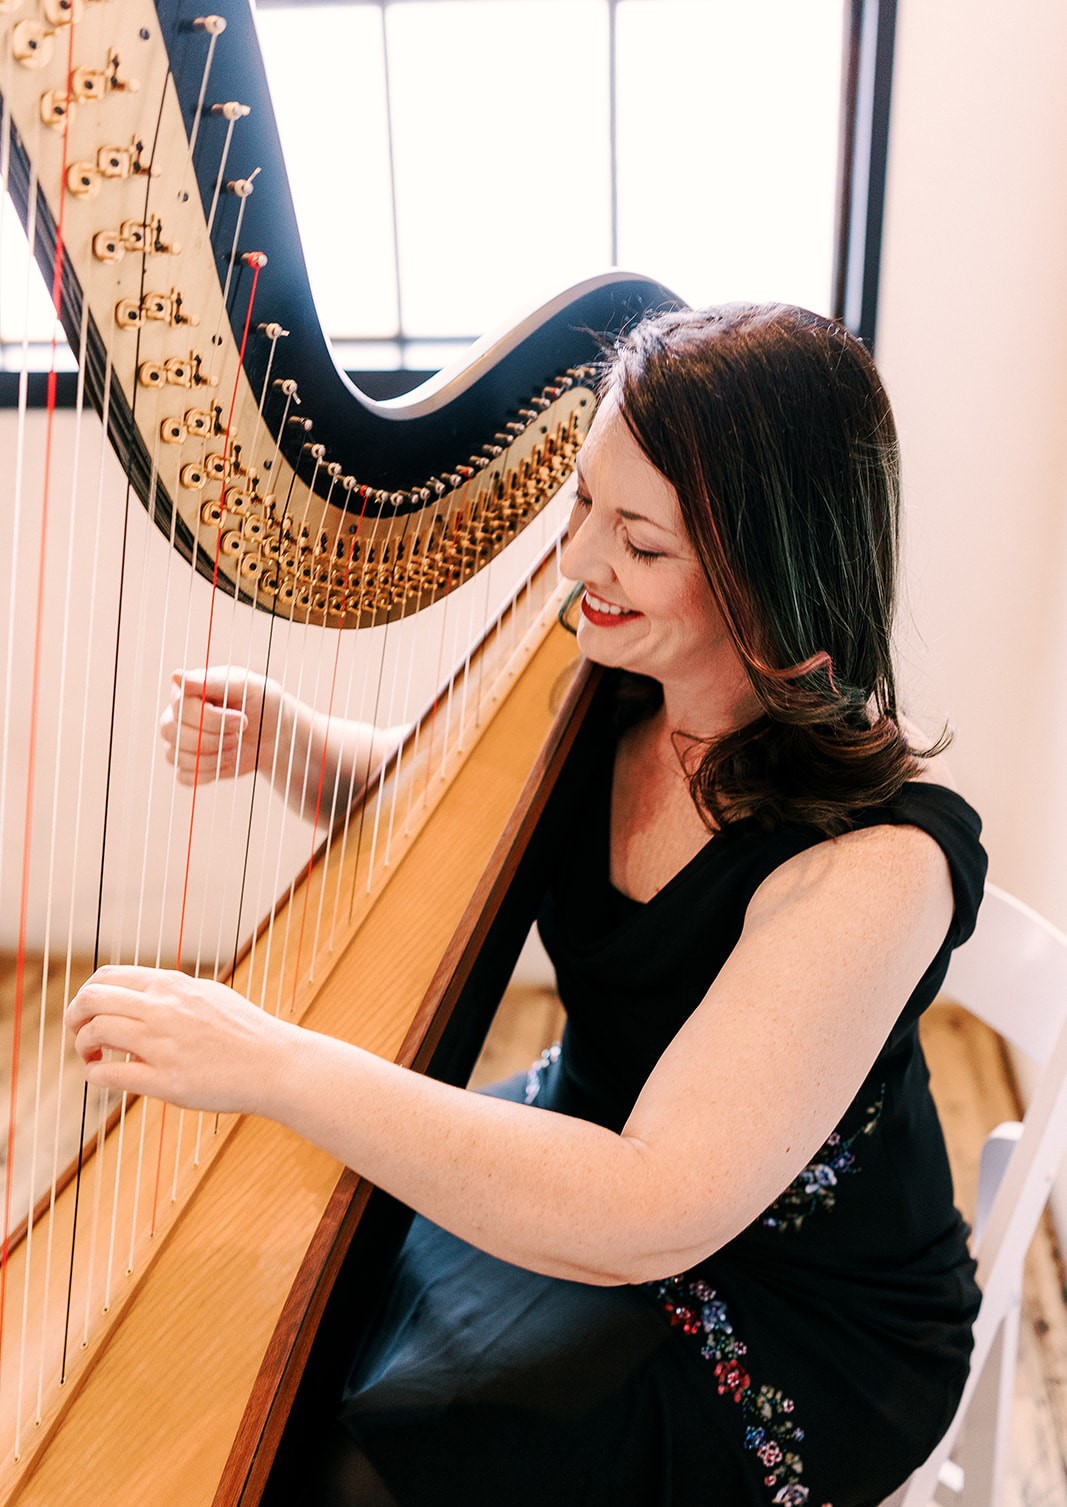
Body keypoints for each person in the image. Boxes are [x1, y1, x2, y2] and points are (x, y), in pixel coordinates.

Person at [67, 303, 985, 1507]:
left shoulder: (876, 860)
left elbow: (651, 1205)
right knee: (292, 1322)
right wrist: (289, 744)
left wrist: (275, 1061)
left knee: (376, 1453)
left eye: (638, 541)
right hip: (577, 1141)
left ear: (772, 566)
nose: (577, 562)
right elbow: (447, 808)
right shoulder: (607, 685)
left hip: (787, 1303)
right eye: (580, 506)